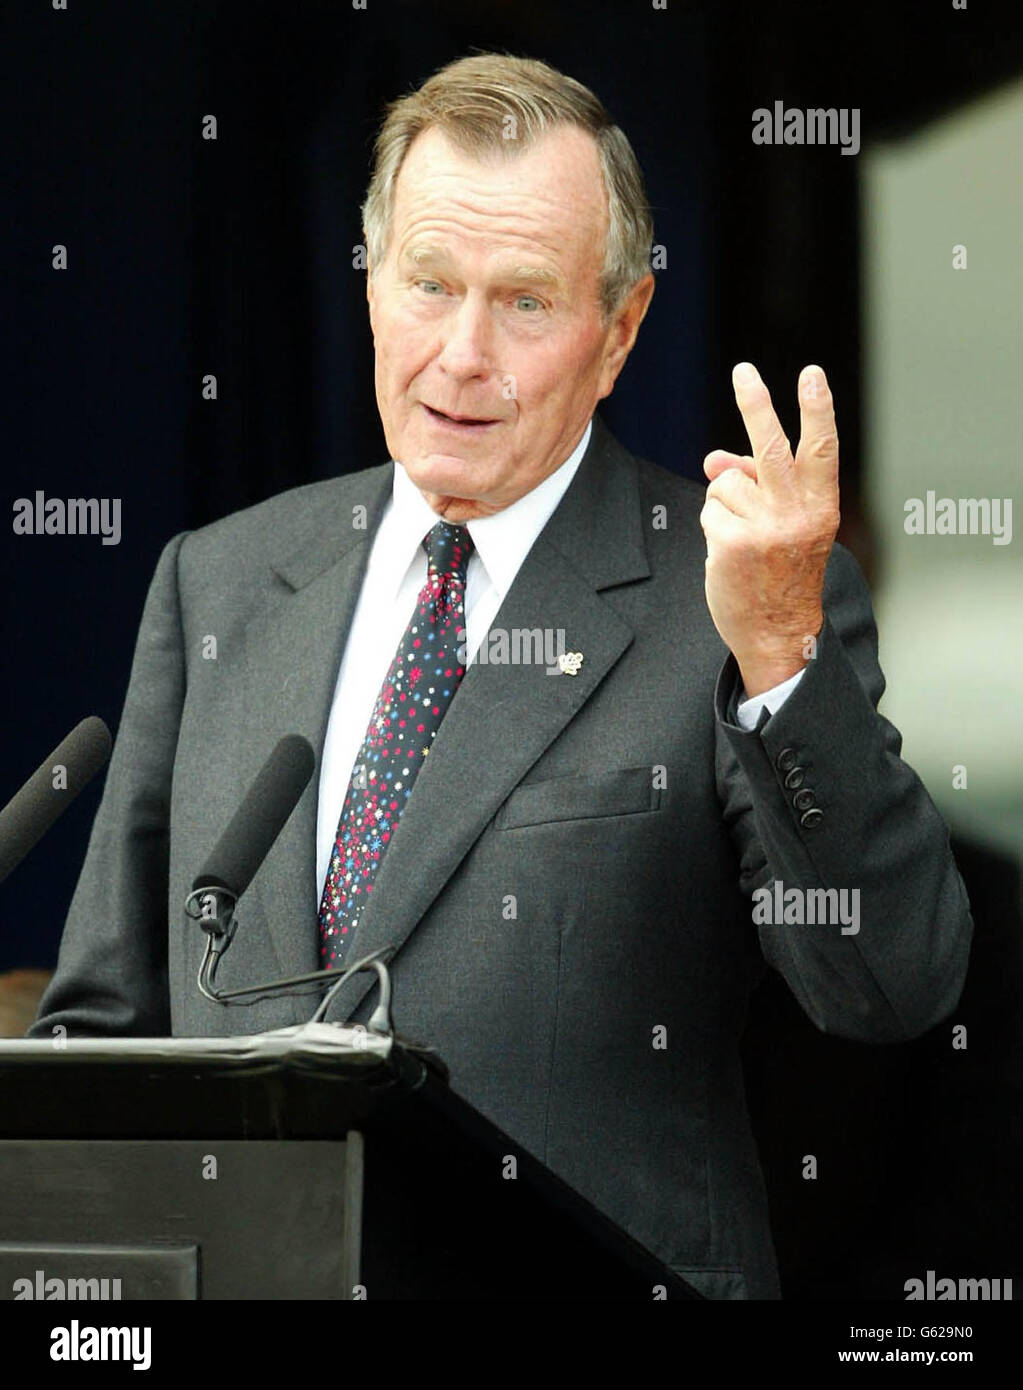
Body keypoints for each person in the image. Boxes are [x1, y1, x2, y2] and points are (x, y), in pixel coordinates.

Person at [29, 53, 972, 1299]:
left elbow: (891, 983)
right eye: (427, 284)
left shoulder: (728, 599)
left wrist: (782, 655)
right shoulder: (218, 580)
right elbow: (97, 1031)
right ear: (371, 287)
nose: (462, 353)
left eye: (524, 301)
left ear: (620, 328)